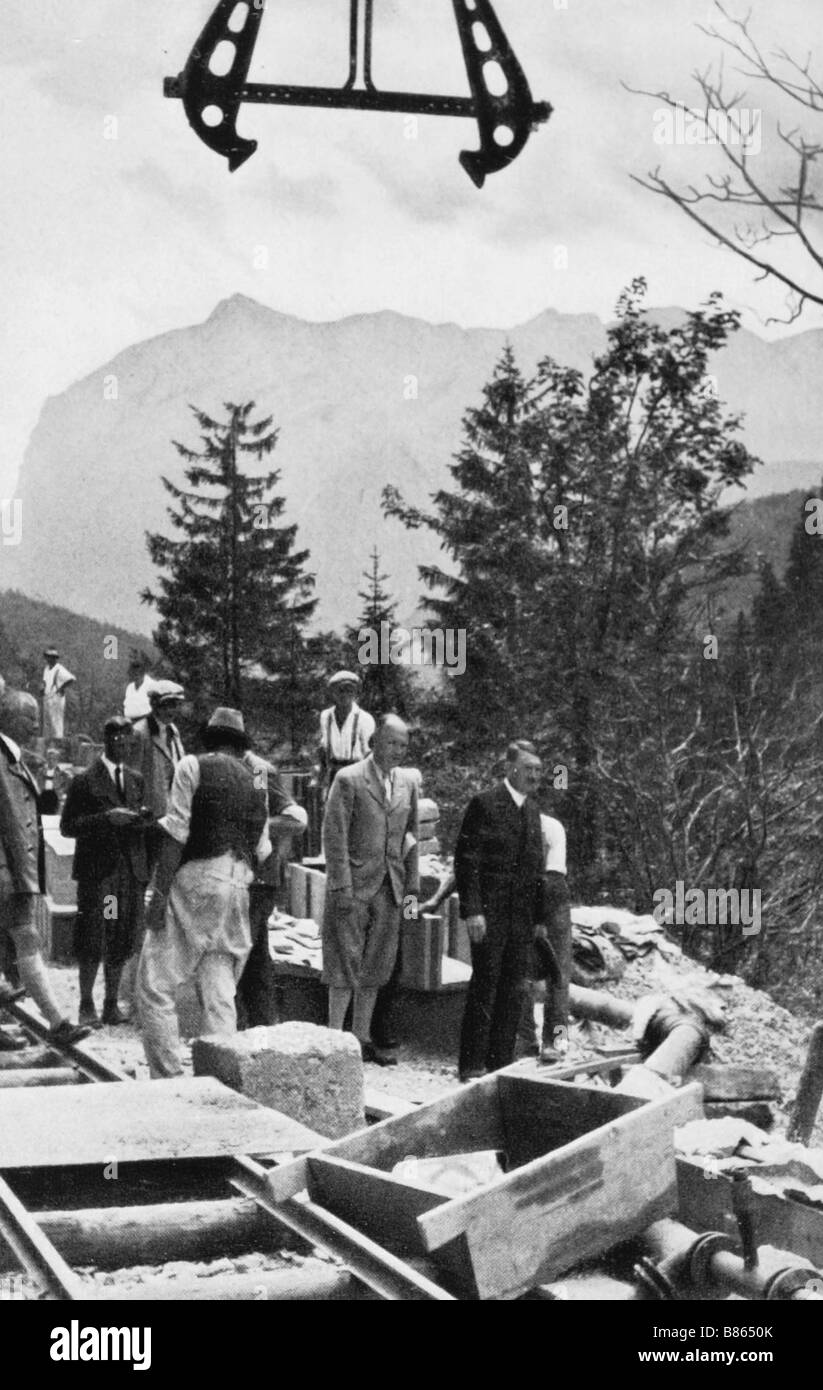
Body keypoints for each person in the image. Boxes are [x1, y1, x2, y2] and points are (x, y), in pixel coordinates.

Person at [136, 707, 270, 1078]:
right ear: (239, 743)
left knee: (155, 983)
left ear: (210, 738)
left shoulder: (191, 766)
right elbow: (263, 848)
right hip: (239, 882)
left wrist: (159, 892)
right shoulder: (256, 777)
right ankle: (219, 1081)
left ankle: (168, 1079)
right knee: (220, 986)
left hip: (197, 875)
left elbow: (176, 833)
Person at [322, 714, 419, 1065]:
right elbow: (334, 836)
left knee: (377, 965)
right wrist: (341, 886)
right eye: (392, 743)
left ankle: (361, 1039)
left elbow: (411, 839)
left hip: (390, 887)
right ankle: (334, 1039)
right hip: (354, 885)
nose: (398, 751)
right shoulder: (348, 779)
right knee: (344, 962)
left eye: (404, 746)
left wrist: (411, 890)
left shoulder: (407, 784)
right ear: (375, 741)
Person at [0, 687, 91, 1046]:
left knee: (21, 943)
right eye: (28, 716)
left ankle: (50, 1020)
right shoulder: (5, 759)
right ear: (8, 717)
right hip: (7, 874)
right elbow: (11, 822)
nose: (36, 723)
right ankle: (57, 1022)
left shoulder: (15, 758)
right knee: (28, 939)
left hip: (12, 872)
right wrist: (22, 880)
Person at [455, 740, 548, 1082]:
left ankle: (499, 1065)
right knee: (485, 987)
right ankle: (471, 1065)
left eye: (539, 771)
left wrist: (539, 919)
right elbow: (467, 861)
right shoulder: (485, 803)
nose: (534, 776)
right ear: (511, 768)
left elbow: (537, 869)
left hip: (521, 919)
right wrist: (473, 910)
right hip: (489, 916)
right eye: (528, 769)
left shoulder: (533, 811)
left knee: (513, 991)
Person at [60, 716, 150, 1027]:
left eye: (129, 741)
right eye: (119, 740)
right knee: (95, 936)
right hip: (102, 878)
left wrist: (141, 820)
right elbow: (68, 827)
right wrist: (106, 819)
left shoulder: (136, 781)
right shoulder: (85, 781)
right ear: (108, 741)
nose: (124, 746)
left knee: (120, 936)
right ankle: (87, 1004)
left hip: (127, 876)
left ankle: (111, 1003)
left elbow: (141, 823)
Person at [236, 748, 307, 1027]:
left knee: (244, 951)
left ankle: (249, 1025)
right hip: (246, 879)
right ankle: (260, 1024)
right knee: (255, 954)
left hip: (258, 881)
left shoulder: (258, 772)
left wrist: (256, 828)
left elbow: (295, 819)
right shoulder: (236, 768)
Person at [519, 812, 572, 1063]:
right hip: (519, 894)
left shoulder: (551, 827)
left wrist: (539, 921)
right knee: (520, 970)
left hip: (553, 895)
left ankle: (556, 1042)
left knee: (558, 976)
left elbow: (550, 881)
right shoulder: (501, 826)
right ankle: (524, 1040)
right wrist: (434, 901)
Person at [315, 671, 376, 795]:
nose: (345, 695)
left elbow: (370, 754)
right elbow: (323, 747)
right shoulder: (326, 716)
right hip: (333, 773)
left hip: (356, 773)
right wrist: (321, 775)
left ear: (356, 694)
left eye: (350, 691)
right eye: (341, 691)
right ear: (333, 693)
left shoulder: (364, 718)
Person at [41, 648, 76, 740]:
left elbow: (71, 679)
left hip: (56, 697)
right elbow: (45, 681)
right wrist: (42, 688)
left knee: (56, 721)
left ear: (54, 658)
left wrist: (61, 688)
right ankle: (47, 742)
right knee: (47, 722)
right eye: (47, 657)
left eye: (51, 657)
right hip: (47, 696)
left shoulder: (59, 669)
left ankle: (58, 741)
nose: (48, 659)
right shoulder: (46, 668)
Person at [123, 651, 158, 722]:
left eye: (139, 669)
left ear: (144, 670)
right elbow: (126, 706)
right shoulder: (130, 687)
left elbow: (157, 709)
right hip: (129, 722)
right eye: (133, 669)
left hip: (147, 722)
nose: (136, 672)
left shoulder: (153, 685)